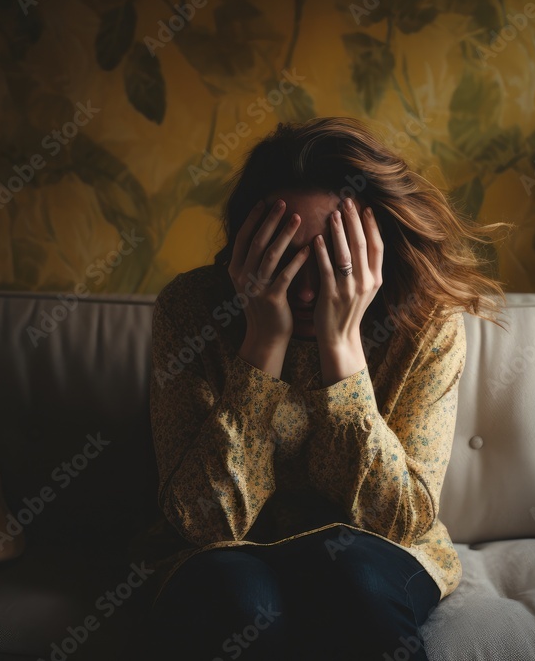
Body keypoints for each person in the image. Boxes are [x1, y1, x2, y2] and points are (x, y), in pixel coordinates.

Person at [133, 116, 511, 660]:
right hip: (223, 556)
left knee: (352, 575)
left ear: (374, 247)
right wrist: (262, 342)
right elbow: (203, 523)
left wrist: (343, 351)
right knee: (239, 597)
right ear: (247, 244)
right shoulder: (190, 310)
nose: (308, 290)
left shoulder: (425, 325)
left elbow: (396, 522)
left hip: (370, 556)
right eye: (286, 257)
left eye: (334, 259)